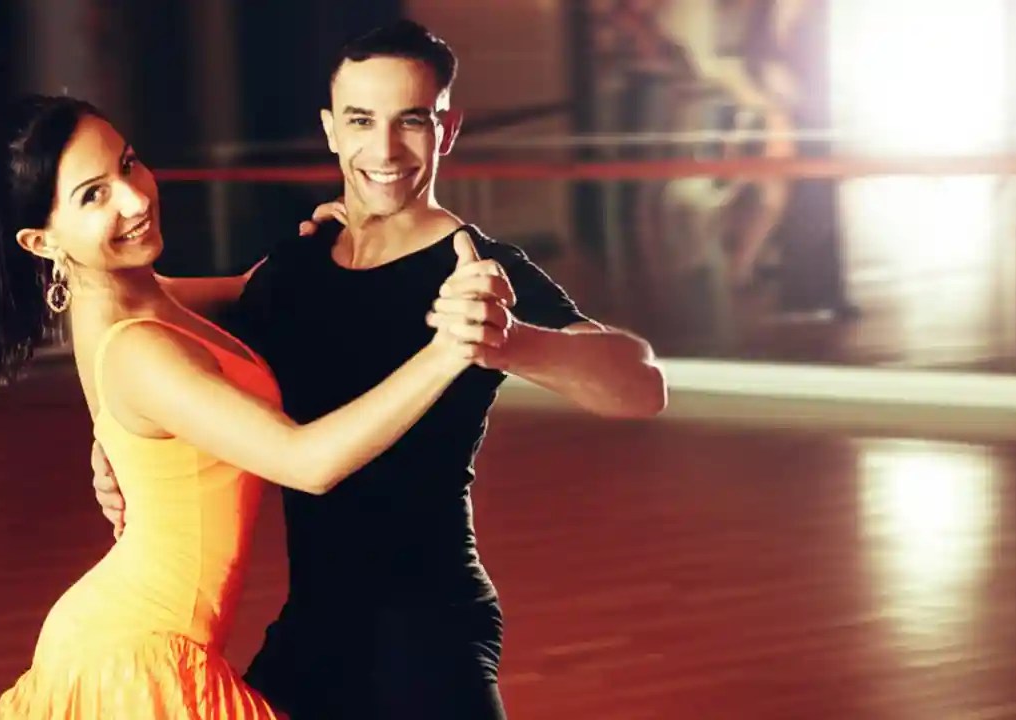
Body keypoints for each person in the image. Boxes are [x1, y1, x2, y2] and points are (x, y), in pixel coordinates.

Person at [94, 20, 668, 720]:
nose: (386, 149)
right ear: (332, 129)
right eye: (363, 121)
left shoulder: (479, 268)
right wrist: (114, 441)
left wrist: (507, 342)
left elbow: (641, 384)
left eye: (412, 121)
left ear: (446, 129)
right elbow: (158, 336)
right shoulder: (299, 262)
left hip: (433, 619)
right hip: (312, 624)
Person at [0, 93, 514, 719]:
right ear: (40, 241)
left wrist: (332, 235)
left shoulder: (134, 295)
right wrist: (449, 351)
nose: (136, 198)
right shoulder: (138, 347)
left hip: (132, 632)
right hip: (141, 657)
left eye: (129, 163)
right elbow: (306, 462)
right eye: (94, 195)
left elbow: (254, 290)